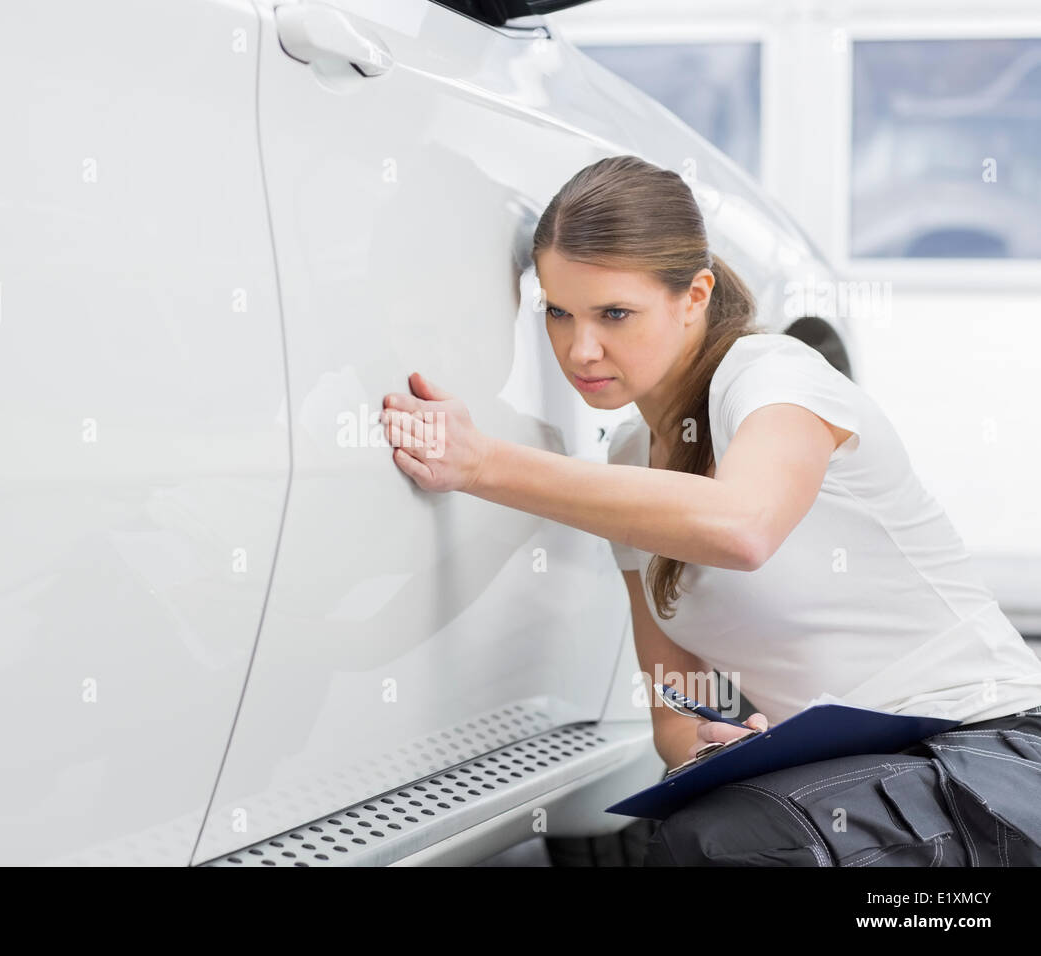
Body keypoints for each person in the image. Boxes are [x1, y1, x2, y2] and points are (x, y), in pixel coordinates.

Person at [378, 153, 1041, 866]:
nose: (581, 347)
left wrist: (482, 463)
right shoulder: (631, 459)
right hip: (857, 773)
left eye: (615, 314)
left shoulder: (771, 375)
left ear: (694, 296)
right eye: (558, 313)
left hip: (986, 760)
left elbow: (744, 526)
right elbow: (673, 712)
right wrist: (709, 743)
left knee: (722, 846)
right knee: (703, 829)